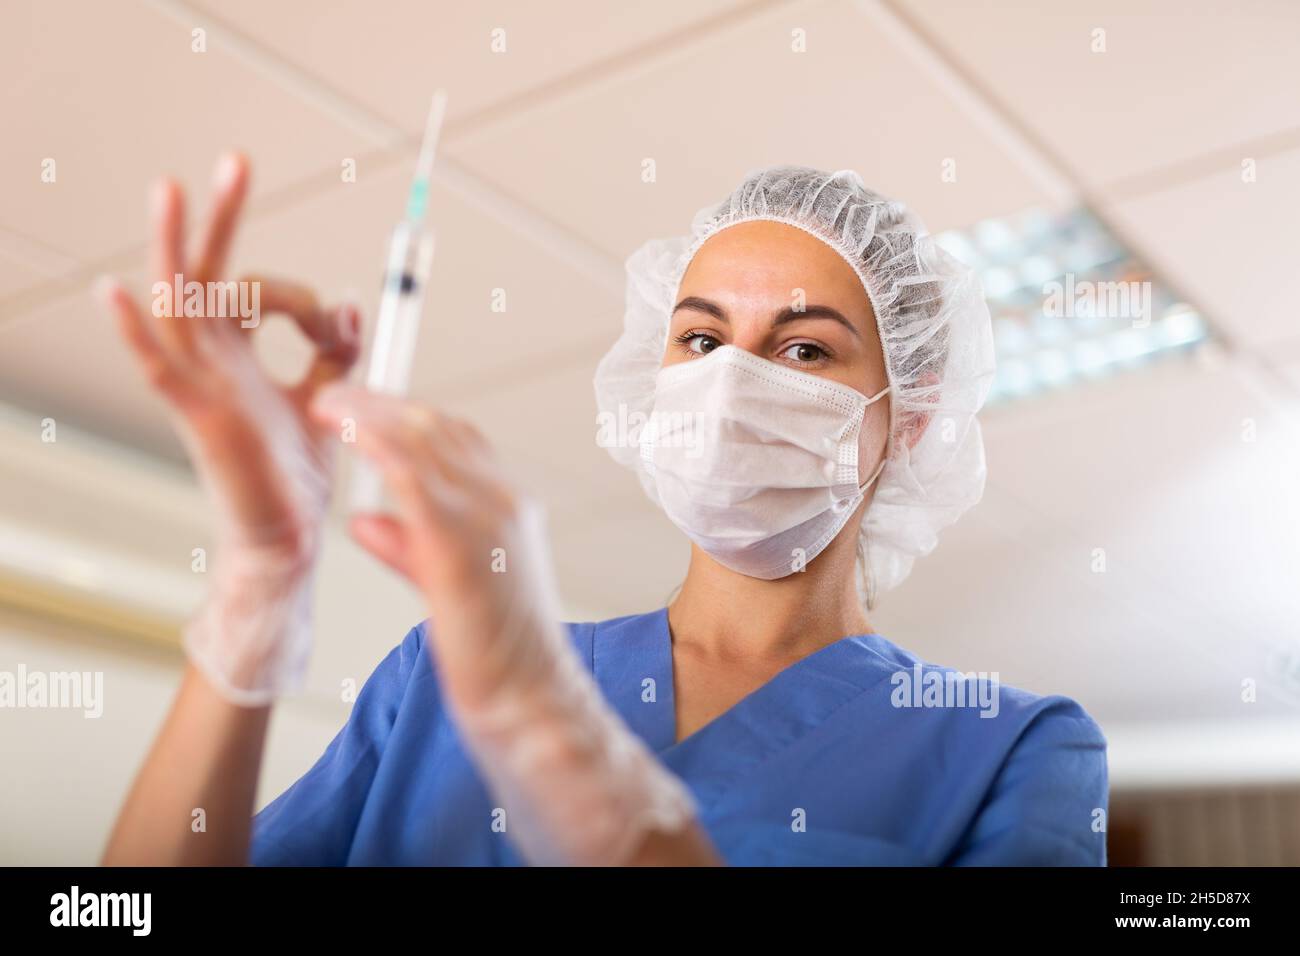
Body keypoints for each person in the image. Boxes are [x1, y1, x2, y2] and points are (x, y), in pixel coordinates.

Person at [100, 158, 1107, 866]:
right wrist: (258, 579)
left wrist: (541, 725)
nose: (731, 384)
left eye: (804, 348)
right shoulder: (433, 675)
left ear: (913, 420)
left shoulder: (1006, 750)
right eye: (701, 339)